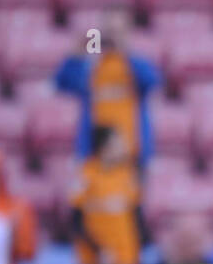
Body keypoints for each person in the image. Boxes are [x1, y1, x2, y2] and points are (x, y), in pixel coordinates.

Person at [54, 10, 160, 169]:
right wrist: (76, 53)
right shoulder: (92, 63)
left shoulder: (134, 63)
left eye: (118, 31)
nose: (112, 36)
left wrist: (125, 50)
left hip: (130, 156)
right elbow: (62, 83)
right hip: (95, 155)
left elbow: (151, 81)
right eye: (109, 31)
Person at [70, 125, 146, 264]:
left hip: (127, 262)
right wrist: (98, 251)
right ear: (105, 147)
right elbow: (76, 221)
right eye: (119, 143)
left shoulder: (128, 174)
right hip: (94, 263)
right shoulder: (86, 174)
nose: (125, 147)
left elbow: (136, 216)